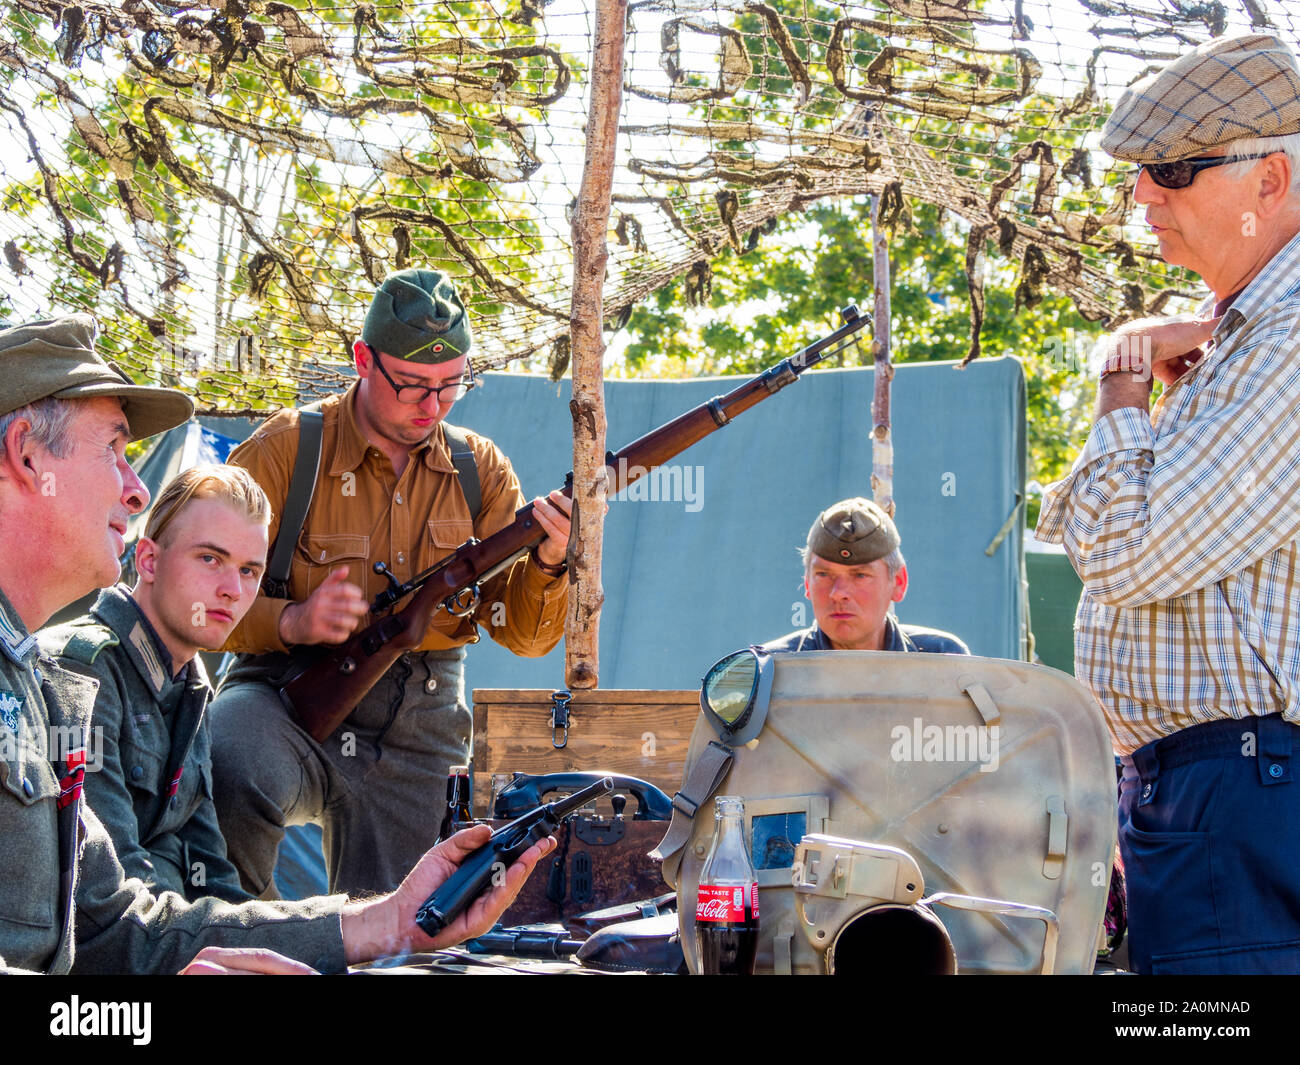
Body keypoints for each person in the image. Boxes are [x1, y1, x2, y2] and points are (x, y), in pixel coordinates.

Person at [0, 314, 554, 974]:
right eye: (114, 449)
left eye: (250, 570)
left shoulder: (40, 681)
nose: (136, 485)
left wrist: (383, 920)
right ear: (29, 455)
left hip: (421, 710)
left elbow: (115, 926)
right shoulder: (76, 674)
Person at [1035, 34, 1300, 974]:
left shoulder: (1290, 335)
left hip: (1242, 785)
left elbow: (1123, 552)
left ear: (1271, 178)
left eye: (1173, 170)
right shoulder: (1248, 333)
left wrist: (1122, 380)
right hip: (1212, 788)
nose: (1144, 195)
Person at [209, 268, 572, 898]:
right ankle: (254, 939)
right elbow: (189, 597)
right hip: (283, 688)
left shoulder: (478, 468)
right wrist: (291, 620)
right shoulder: (285, 452)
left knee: (405, 930)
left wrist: (548, 564)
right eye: (411, 385)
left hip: (419, 715)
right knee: (227, 764)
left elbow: (525, 636)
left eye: (451, 386)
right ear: (363, 361)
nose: (432, 407)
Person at [39, 465, 275, 903]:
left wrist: (288, 940)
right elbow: (112, 888)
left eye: (249, 571)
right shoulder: (83, 669)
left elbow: (210, 873)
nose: (232, 590)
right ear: (148, 560)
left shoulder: (190, 686)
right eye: (210, 559)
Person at [761, 497, 969, 655]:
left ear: (898, 582)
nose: (838, 593)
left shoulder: (942, 658)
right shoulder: (770, 671)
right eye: (823, 574)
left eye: (860, 575)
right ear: (807, 582)